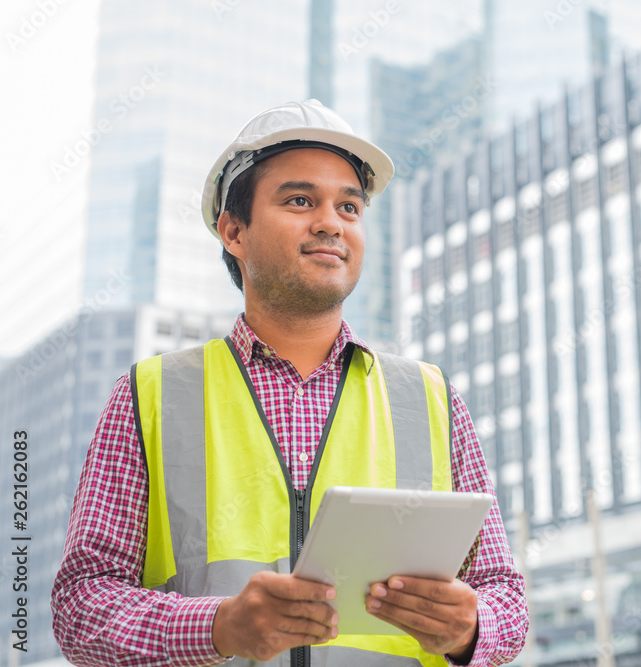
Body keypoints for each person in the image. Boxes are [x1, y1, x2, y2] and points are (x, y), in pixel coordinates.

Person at [51, 99, 528, 667]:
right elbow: (80, 609)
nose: (331, 221)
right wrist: (218, 626)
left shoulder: (430, 398)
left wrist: (471, 628)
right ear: (234, 231)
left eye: (349, 206)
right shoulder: (150, 394)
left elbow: (507, 600)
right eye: (300, 200)